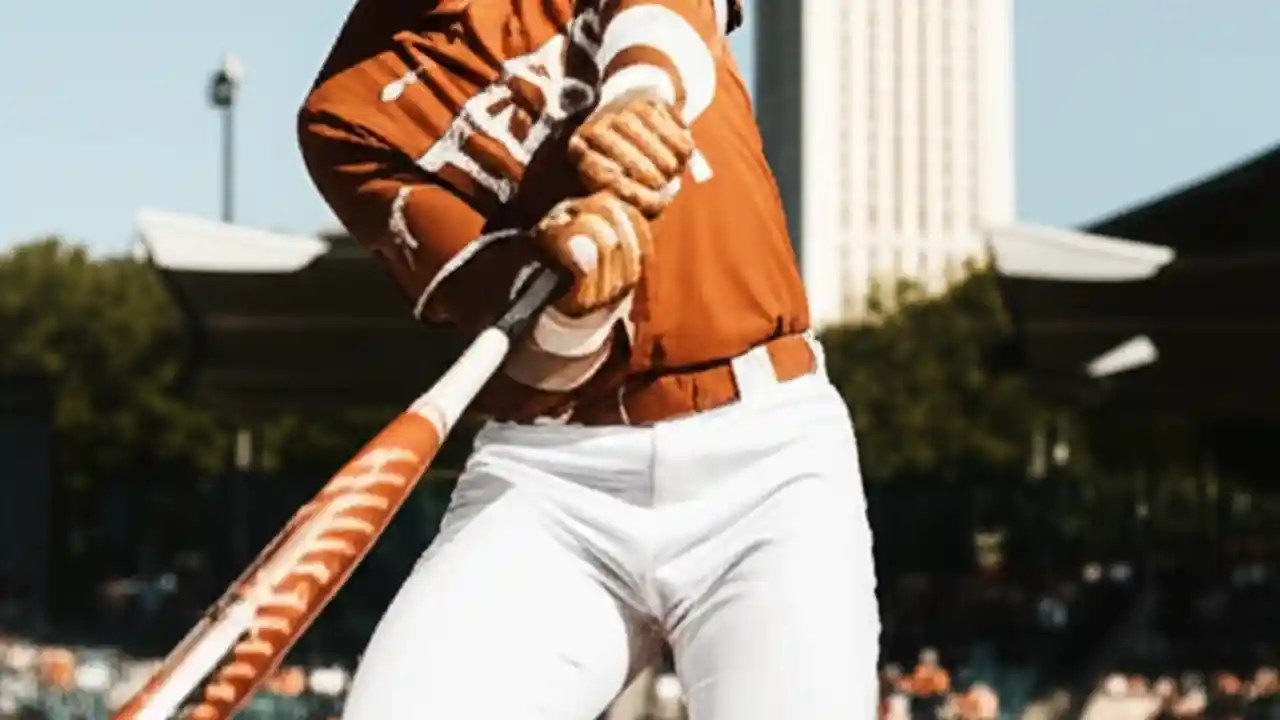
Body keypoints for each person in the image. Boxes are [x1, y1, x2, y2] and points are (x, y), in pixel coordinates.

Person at [298, 1, 881, 719]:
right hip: (552, 478)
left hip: (766, 449)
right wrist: (578, 306)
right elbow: (523, 353)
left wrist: (638, 92)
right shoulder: (344, 116)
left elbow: (670, 26)